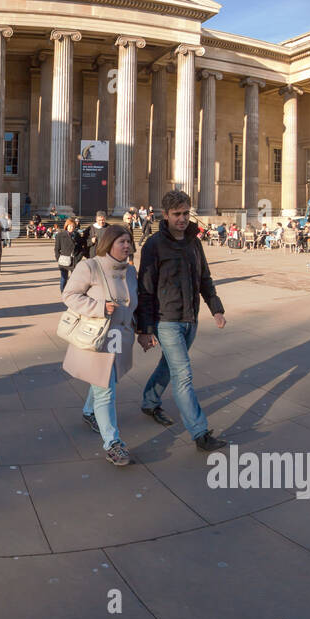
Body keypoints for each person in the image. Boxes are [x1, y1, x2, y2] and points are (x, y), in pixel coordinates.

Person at [133, 189, 229, 451]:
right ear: (165, 215)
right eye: (177, 214)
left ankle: (150, 402)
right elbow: (146, 289)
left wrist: (216, 309)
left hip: (190, 319)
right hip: (167, 320)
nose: (183, 218)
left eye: (186, 213)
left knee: (169, 366)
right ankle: (199, 433)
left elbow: (205, 278)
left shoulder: (193, 242)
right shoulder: (154, 244)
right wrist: (144, 329)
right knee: (183, 375)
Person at [63, 224, 142, 467]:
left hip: (120, 336)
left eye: (129, 241)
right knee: (105, 388)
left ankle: (89, 412)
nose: (127, 246)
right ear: (108, 243)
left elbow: (132, 304)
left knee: (107, 380)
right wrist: (99, 307)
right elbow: (69, 294)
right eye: (122, 241)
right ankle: (113, 443)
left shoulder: (130, 271)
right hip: (97, 337)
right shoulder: (90, 266)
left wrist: (141, 330)